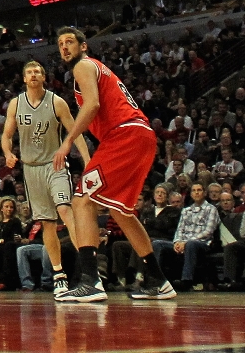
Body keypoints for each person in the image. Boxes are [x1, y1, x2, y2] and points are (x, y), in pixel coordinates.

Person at [53, 26, 176, 302]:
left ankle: (90, 281)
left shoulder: (83, 66)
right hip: (141, 135)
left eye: (70, 41)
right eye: (60, 43)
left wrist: (68, 140)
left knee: (82, 200)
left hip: (125, 134)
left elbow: (93, 105)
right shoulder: (98, 69)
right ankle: (158, 280)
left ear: (83, 46)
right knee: (122, 212)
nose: (64, 47)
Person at [2, 59, 90, 298]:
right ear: (23, 78)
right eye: (29, 71)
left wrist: (87, 160)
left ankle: (89, 270)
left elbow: (75, 133)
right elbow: (7, 135)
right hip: (31, 169)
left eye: (37, 71)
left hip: (55, 164)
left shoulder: (56, 102)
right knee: (47, 223)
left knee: (65, 209)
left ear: (43, 77)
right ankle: (59, 275)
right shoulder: (15, 104)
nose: (33, 74)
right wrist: (8, 153)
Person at [151, 181, 220, 290]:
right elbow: (179, 230)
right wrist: (177, 242)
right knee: (157, 244)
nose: (196, 193)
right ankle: (156, 279)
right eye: (194, 190)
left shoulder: (211, 209)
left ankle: (186, 280)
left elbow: (208, 231)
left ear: (204, 193)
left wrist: (185, 243)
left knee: (191, 244)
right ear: (191, 194)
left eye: (199, 190)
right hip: (183, 243)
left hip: (202, 244)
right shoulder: (186, 211)